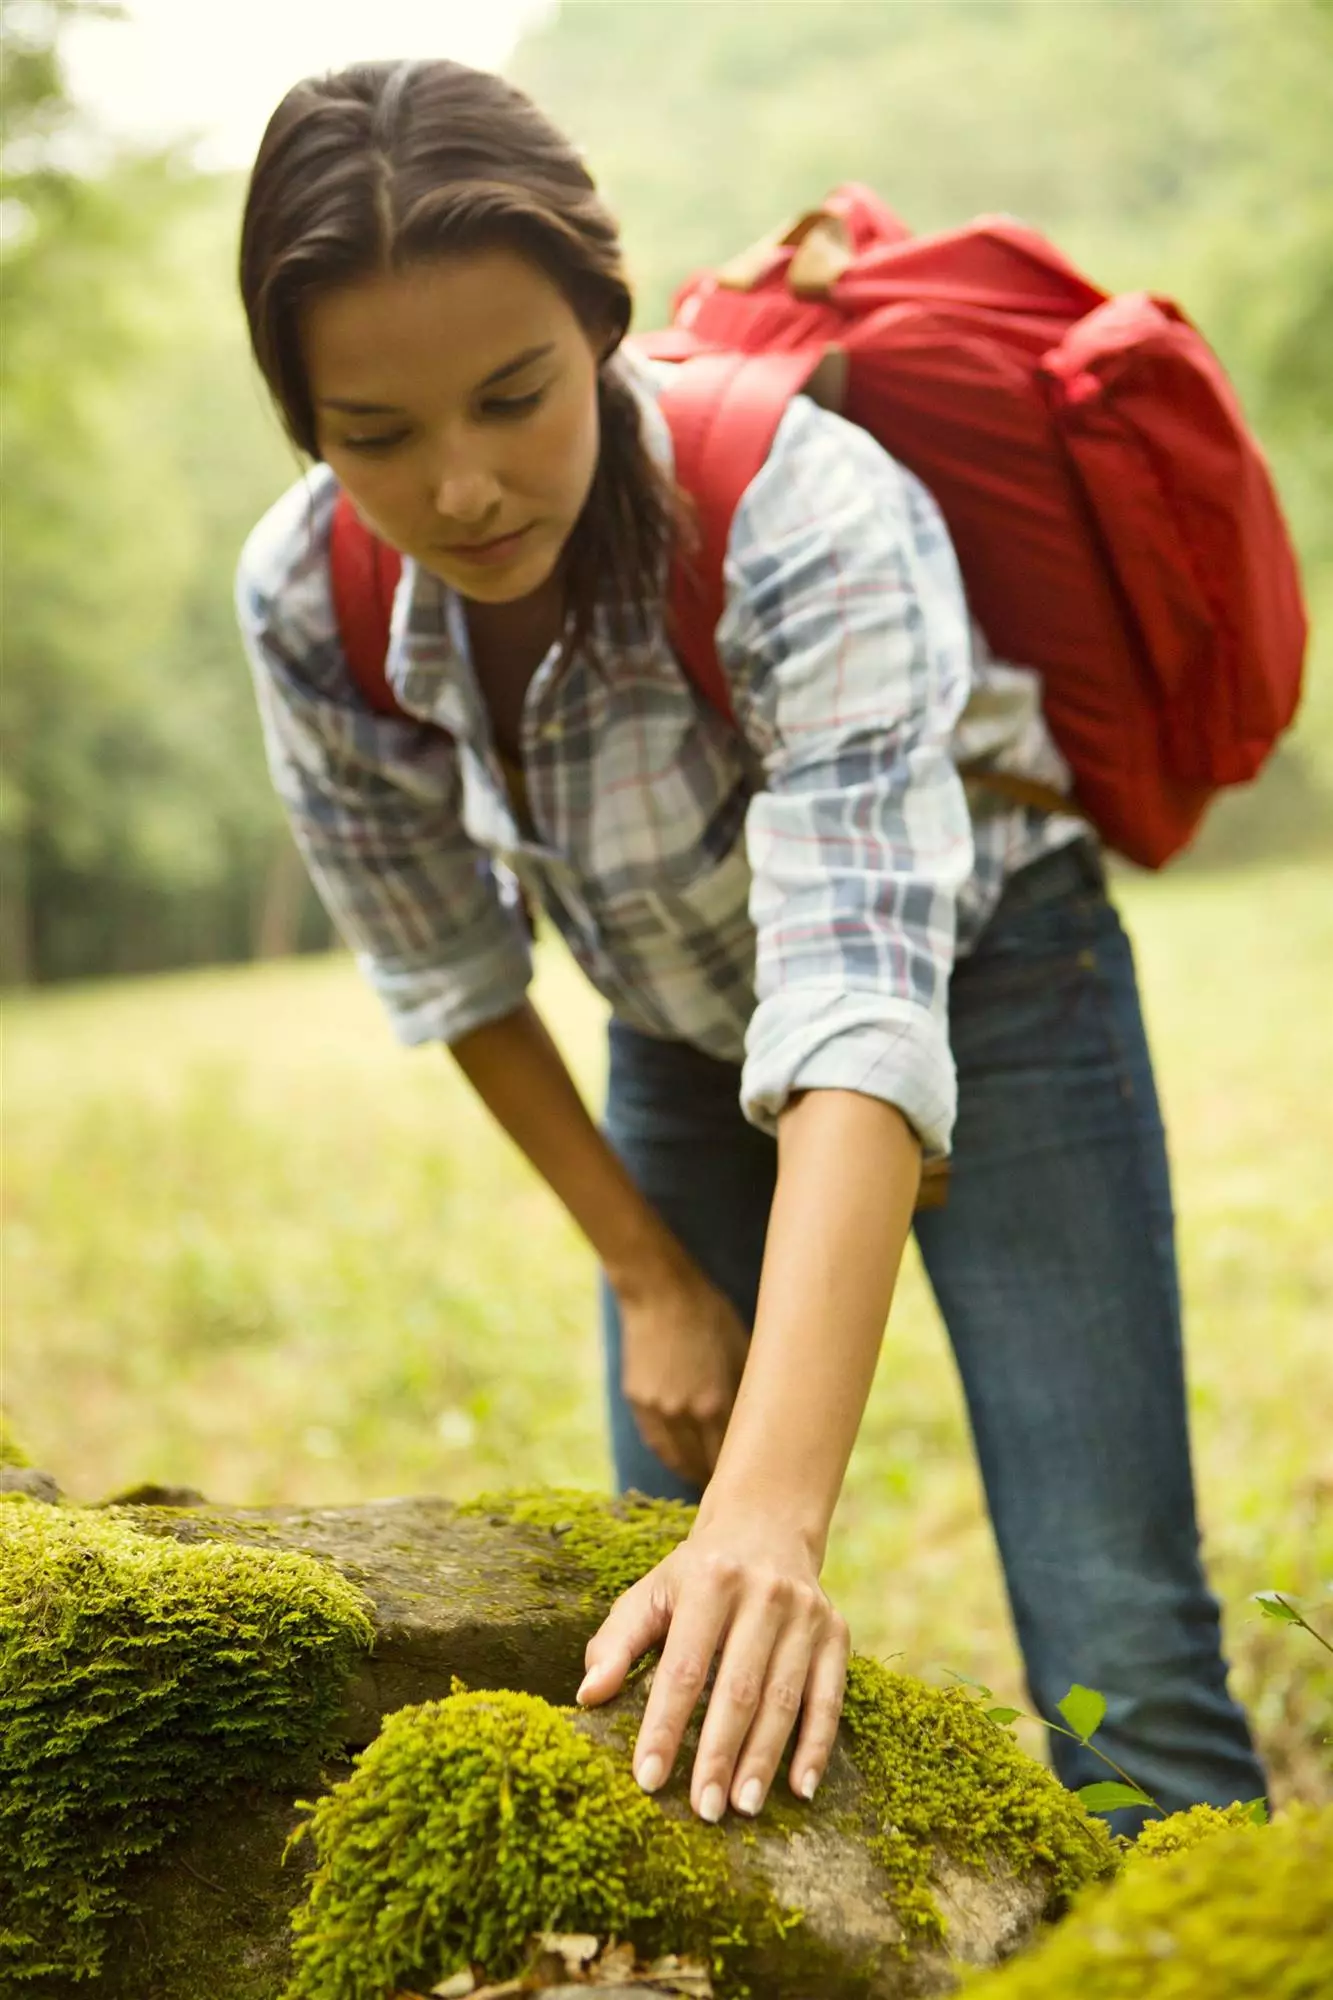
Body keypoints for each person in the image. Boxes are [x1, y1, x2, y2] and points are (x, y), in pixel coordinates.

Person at [235, 57, 1265, 1831]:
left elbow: (866, 990)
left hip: (989, 983)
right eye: (375, 436)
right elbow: (453, 968)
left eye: (512, 396)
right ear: (305, 424)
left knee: (1116, 1629)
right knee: (655, 1611)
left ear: (605, 324)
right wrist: (651, 1275)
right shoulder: (306, 599)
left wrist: (777, 1517)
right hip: (675, 1034)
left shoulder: (806, 510)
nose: (463, 488)